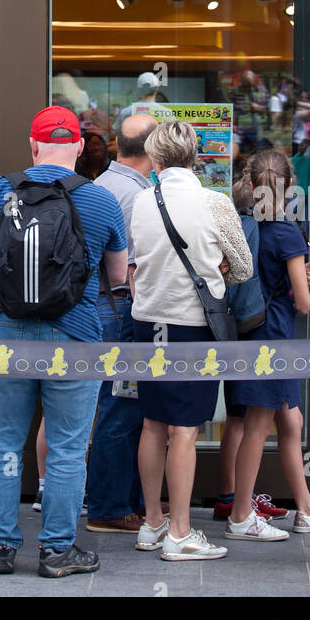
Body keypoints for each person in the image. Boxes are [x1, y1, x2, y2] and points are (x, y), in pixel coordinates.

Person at [0, 106, 127, 578]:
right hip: (75, 336)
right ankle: (57, 550)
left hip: (6, 334)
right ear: (77, 147)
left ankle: (0, 547)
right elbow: (117, 279)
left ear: (33, 146)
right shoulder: (101, 201)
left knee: (4, 445)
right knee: (69, 447)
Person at [131, 118, 251, 560]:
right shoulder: (214, 203)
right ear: (195, 156)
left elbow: (135, 259)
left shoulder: (142, 202)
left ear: (156, 157)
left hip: (148, 323)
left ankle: (152, 522)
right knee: (184, 430)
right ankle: (181, 532)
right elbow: (243, 266)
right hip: (192, 325)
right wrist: (216, 268)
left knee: (152, 423)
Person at [226, 150, 310, 542]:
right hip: (274, 340)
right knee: (258, 425)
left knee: (290, 420)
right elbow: (303, 303)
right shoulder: (289, 232)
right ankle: (242, 515)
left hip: (249, 334)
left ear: (252, 184)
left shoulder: (242, 226)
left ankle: (306, 509)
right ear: (289, 185)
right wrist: (306, 280)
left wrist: (293, 280)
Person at [85, 114, 155, 534]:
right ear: (151, 149)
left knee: (110, 405)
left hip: (95, 308)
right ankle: (110, 507)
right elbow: (131, 267)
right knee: (120, 407)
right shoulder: (137, 196)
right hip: (119, 307)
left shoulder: (101, 186)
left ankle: (115, 499)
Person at [213, 175, 287, 525]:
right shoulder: (268, 233)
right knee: (246, 420)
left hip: (228, 327)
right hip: (256, 328)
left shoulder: (231, 228)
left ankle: (229, 495)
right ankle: (241, 501)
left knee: (235, 419)